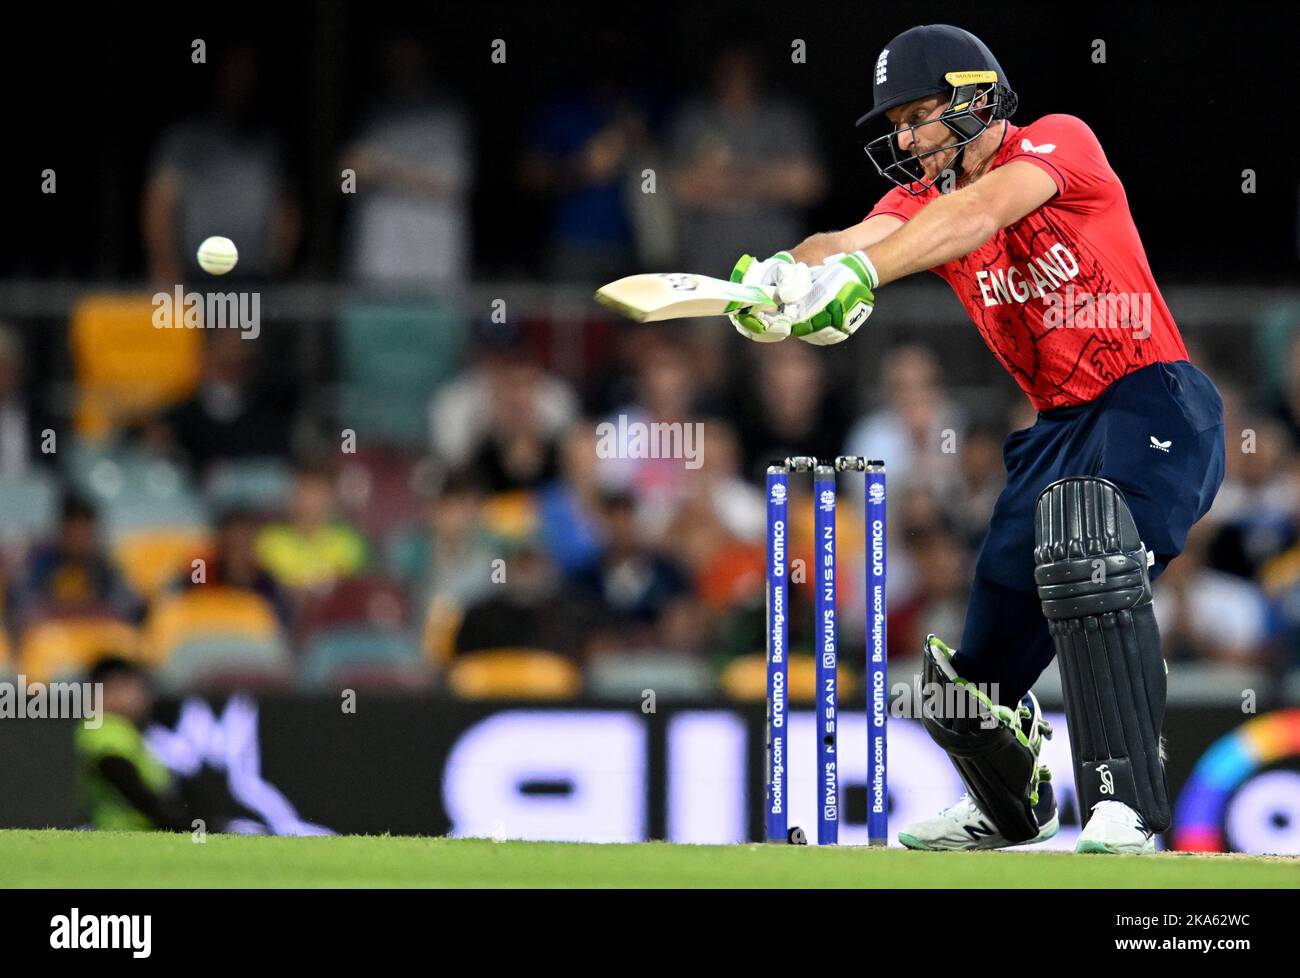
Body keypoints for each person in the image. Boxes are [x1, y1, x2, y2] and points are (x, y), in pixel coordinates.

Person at [729, 25, 1226, 854]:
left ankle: (1126, 802)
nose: (905, 139)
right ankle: (1008, 806)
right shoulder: (919, 200)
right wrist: (781, 276)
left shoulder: (1058, 141)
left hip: (1153, 401)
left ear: (975, 98)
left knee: (1091, 557)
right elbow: (847, 241)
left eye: (918, 116)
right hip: (1057, 427)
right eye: (895, 125)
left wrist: (859, 276)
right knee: (967, 683)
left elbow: (979, 212)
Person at [75, 657, 195, 831]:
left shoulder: (127, 731)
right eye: (132, 688)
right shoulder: (103, 727)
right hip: (120, 837)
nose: (142, 696)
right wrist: (177, 821)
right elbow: (122, 777)